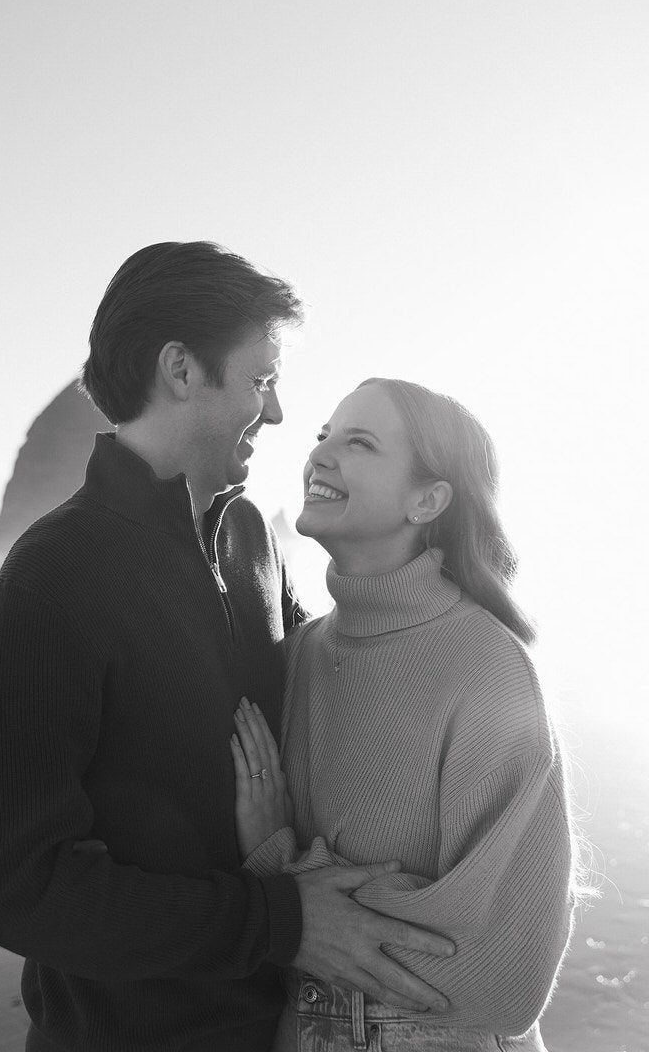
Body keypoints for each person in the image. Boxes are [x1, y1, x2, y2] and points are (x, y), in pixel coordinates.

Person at [0, 246, 455, 1052]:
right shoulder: (53, 575)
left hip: (281, 1026)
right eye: (262, 380)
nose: (282, 412)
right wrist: (279, 922)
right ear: (181, 370)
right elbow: (10, 888)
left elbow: (328, 692)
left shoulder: (251, 536)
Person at [230, 378, 576, 1052]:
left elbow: (506, 977)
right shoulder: (296, 657)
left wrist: (281, 874)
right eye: (322, 436)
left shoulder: (487, 665)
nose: (320, 455)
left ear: (429, 499)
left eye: (358, 442)